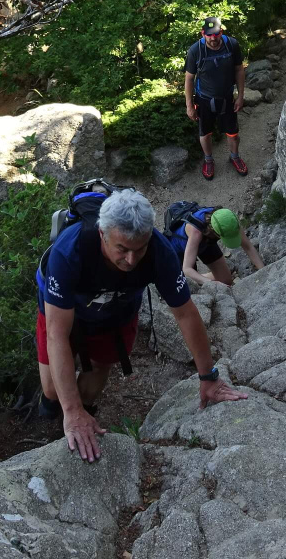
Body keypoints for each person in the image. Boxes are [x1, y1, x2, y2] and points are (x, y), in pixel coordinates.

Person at [35, 189, 247, 462]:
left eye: (139, 249)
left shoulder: (159, 251)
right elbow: (57, 334)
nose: (131, 260)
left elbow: (186, 314)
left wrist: (209, 377)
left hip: (116, 311)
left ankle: (81, 418)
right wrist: (71, 410)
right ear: (102, 234)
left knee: (99, 365)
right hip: (64, 309)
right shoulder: (70, 251)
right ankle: (55, 417)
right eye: (122, 249)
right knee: (52, 390)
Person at [184, 17, 249, 180]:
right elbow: (189, 79)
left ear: (221, 32)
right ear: (203, 34)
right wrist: (189, 106)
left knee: (233, 132)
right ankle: (208, 160)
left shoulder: (231, 45)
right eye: (209, 35)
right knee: (205, 133)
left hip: (227, 97)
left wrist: (240, 96)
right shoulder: (195, 50)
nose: (213, 38)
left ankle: (235, 157)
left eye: (216, 34)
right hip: (204, 99)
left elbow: (239, 70)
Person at [165, 203, 266, 286]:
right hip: (179, 249)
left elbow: (248, 247)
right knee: (186, 284)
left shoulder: (228, 221)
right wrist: (210, 283)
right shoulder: (196, 232)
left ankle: (200, 277)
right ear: (216, 232)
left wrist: (264, 271)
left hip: (206, 240)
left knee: (226, 281)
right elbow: (187, 269)